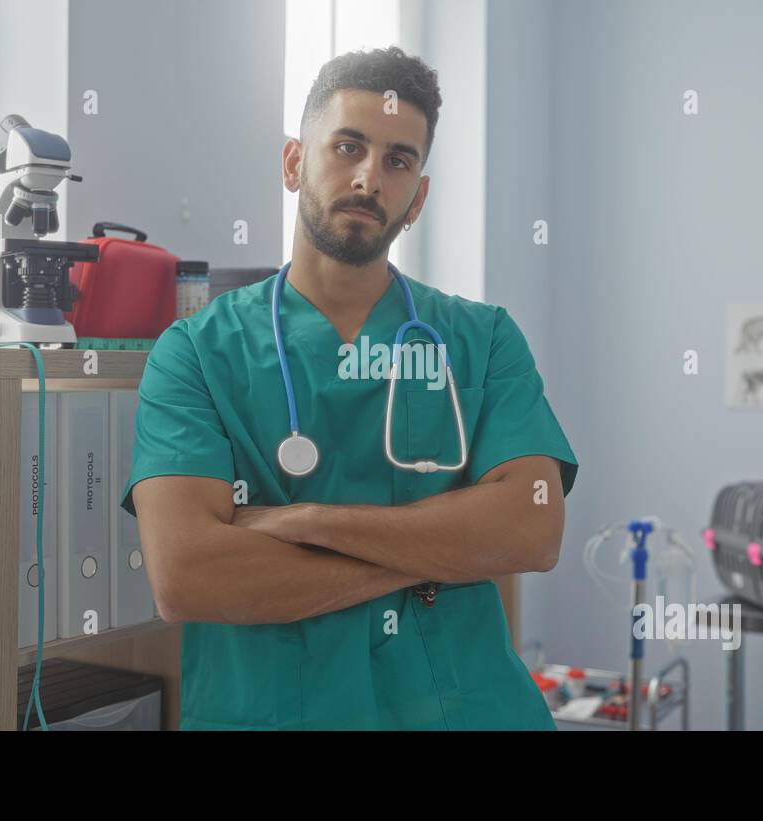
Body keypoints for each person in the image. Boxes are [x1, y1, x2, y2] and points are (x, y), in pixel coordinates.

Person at [121, 46, 577, 730]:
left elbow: (532, 529)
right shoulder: (195, 354)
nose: (369, 178)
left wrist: (306, 521)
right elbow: (186, 574)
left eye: (398, 160)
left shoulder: (483, 340)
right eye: (347, 146)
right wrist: (437, 553)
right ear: (294, 162)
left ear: (417, 198)